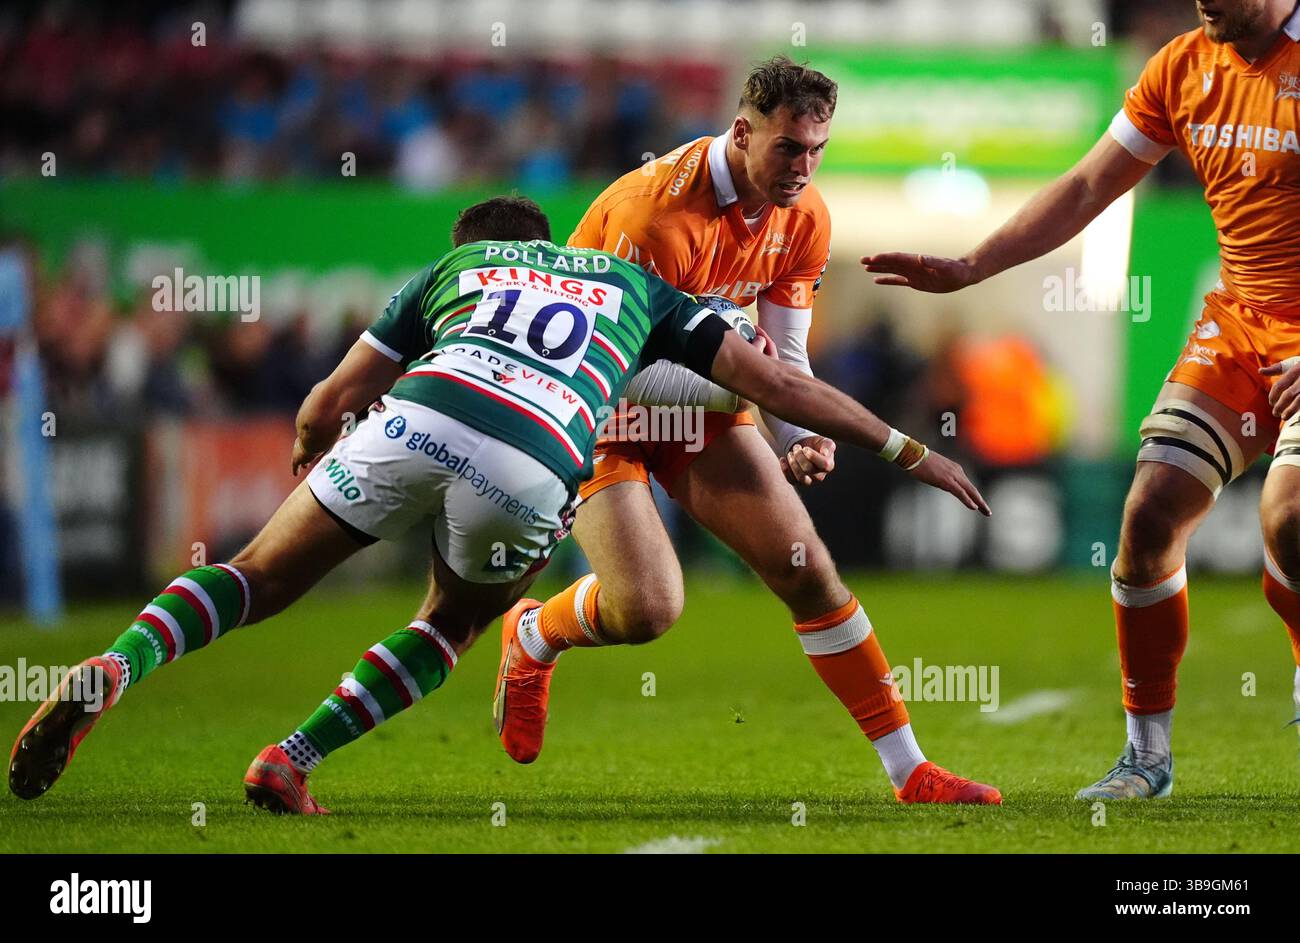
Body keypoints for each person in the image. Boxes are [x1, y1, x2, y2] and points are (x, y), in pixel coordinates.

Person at [9, 196, 988, 813]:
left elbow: (326, 400)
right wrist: (906, 449)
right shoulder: (625, 280)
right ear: (546, 245)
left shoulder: (448, 275)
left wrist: (314, 459)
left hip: (413, 420)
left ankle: (120, 661)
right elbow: (783, 389)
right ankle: (290, 757)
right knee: (447, 623)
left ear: (471, 251)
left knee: (250, 577)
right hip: (529, 462)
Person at [492, 55, 1003, 805]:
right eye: (789, 148)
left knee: (806, 570)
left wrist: (797, 429)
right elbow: (608, 367)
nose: (805, 167)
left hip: (702, 398)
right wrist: (747, 373)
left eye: (818, 149)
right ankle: (533, 635)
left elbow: (785, 357)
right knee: (648, 609)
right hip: (598, 406)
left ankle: (911, 770)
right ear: (741, 132)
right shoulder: (653, 219)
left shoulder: (805, 216)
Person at [863, 0, 1300, 799]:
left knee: (1291, 514)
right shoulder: (1181, 66)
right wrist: (973, 265)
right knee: (1148, 515)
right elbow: (1089, 185)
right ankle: (1146, 757)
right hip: (1239, 327)